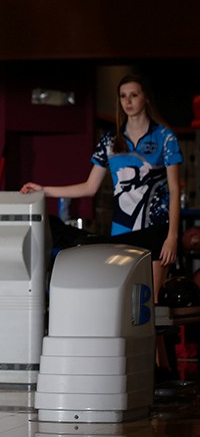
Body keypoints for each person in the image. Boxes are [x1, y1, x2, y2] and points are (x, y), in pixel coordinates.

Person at [21, 74, 182, 300]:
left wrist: (172, 236)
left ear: (145, 98)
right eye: (123, 96)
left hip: (156, 229)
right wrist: (44, 190)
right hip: (122, 231)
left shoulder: (165, 137)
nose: (128, 101)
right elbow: (89, 187)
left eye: (134, 95)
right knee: (125, 306)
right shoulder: (110, 140)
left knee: (152, 307)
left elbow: (175, 190)